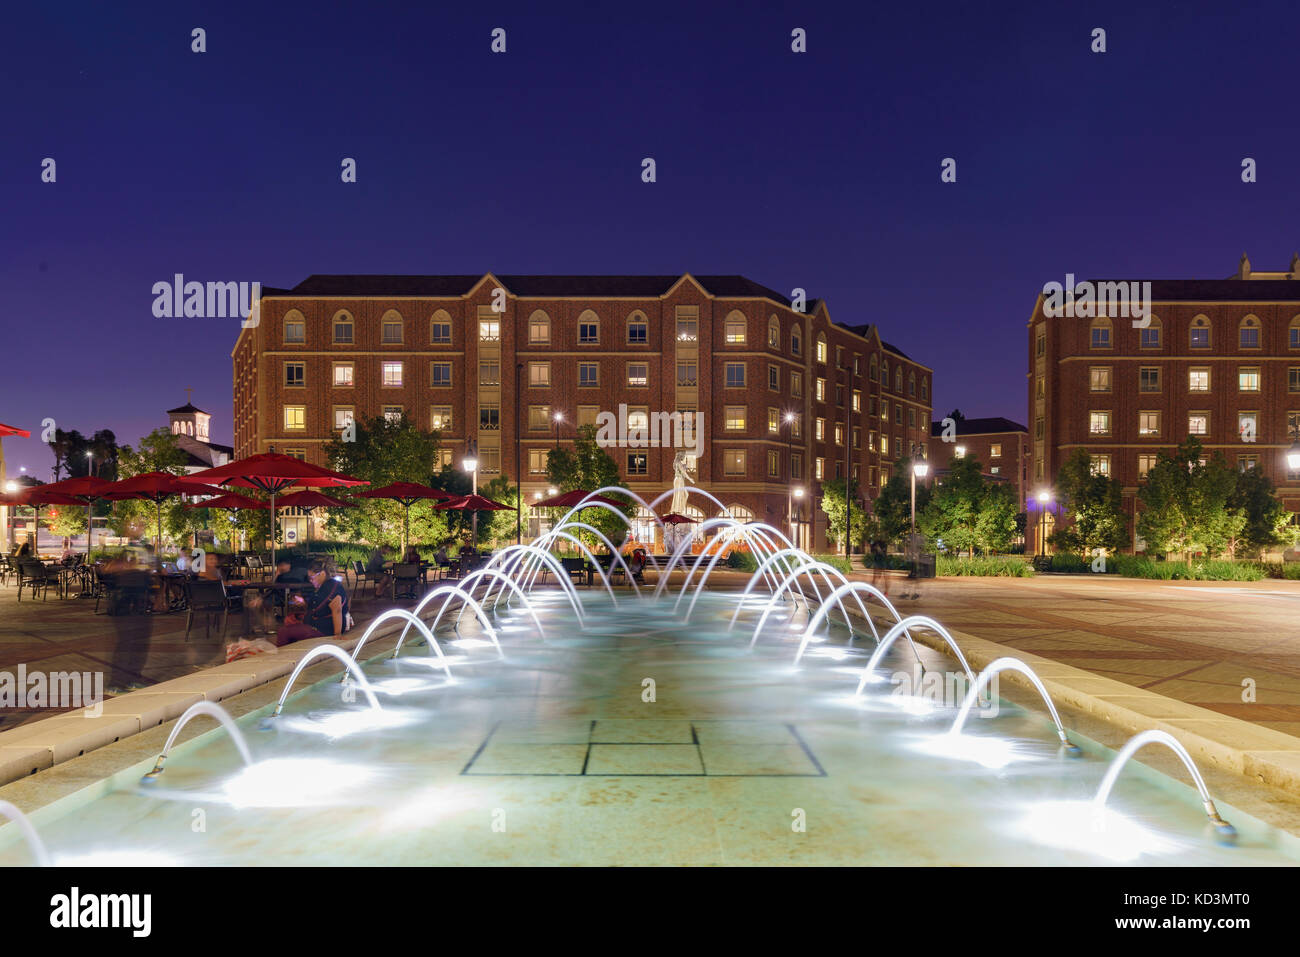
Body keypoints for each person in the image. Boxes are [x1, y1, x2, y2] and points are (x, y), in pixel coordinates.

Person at [304, 559, 349, 636]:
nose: (310, 581)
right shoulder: (323, 586)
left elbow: (337, 611)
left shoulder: (332, 588)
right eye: (309, 578)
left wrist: (337, 634)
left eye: (312, 577)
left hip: (325, 629)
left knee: (285, 632)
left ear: (322, 574)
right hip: (316, 626)